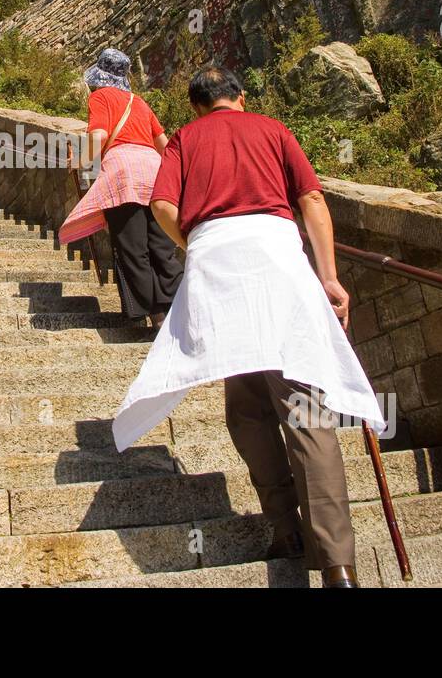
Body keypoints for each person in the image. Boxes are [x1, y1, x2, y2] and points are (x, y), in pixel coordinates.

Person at [110, 67, 387, 589]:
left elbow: (162, 205)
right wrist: (328, 277)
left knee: (246, 409)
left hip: (218, 266)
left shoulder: (187, 139)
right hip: (277, 257)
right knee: (305, 409)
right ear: (240, 95)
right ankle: (336, 564)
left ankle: (286, 529)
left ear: (195, 106)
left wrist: (194, 243)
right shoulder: (273, 129)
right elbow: (312, 201)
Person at [59, 48, 182, 327]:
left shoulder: (100, 97)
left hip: (124, 174)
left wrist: (79, 161)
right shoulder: (139, 102)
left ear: (100, 75)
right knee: (161, 246)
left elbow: (100, 135)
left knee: (132, 246)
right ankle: (176, 308)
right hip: (154, 172)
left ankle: (152, 313)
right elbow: (164, 145)